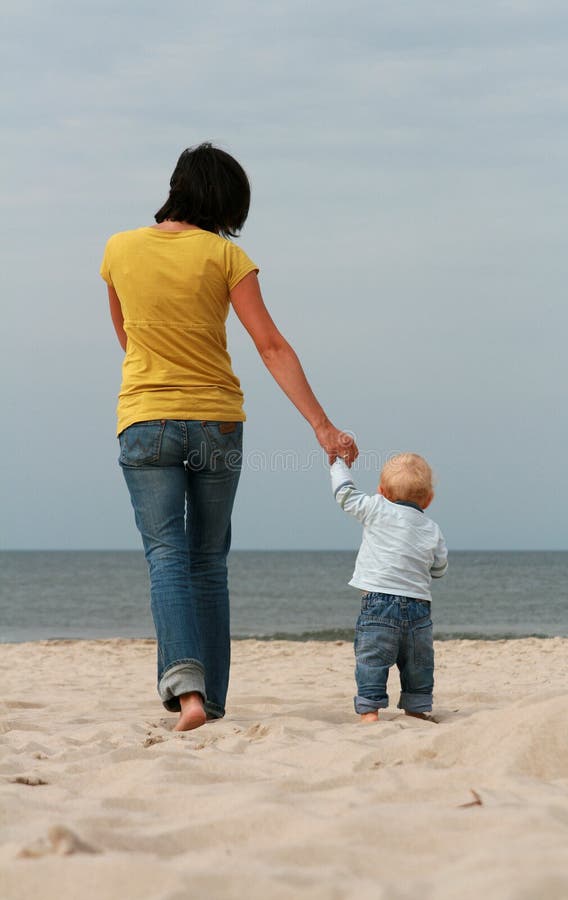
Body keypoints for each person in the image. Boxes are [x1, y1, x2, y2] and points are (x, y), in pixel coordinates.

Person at [100, 142, 358, 731]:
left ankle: (188, 695)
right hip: (216, 421)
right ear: (224, 201)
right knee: (208, 561)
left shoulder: (118, 249)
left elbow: (127, 337)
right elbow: (271, 346)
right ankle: (211, 703)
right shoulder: (226, 256)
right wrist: (322, 426)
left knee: (166, 555)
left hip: (144, 418)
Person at [330, 452, 447, 722]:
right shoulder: (432, 529)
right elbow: (440, 568)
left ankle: (370, 711)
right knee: (418, 663)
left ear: (381, 492)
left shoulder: (376, 508)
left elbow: (345, 494)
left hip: (378, 606)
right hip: (419, 609)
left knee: (372, 660)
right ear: (429, 499)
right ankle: (416, 708)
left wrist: (337, 463)